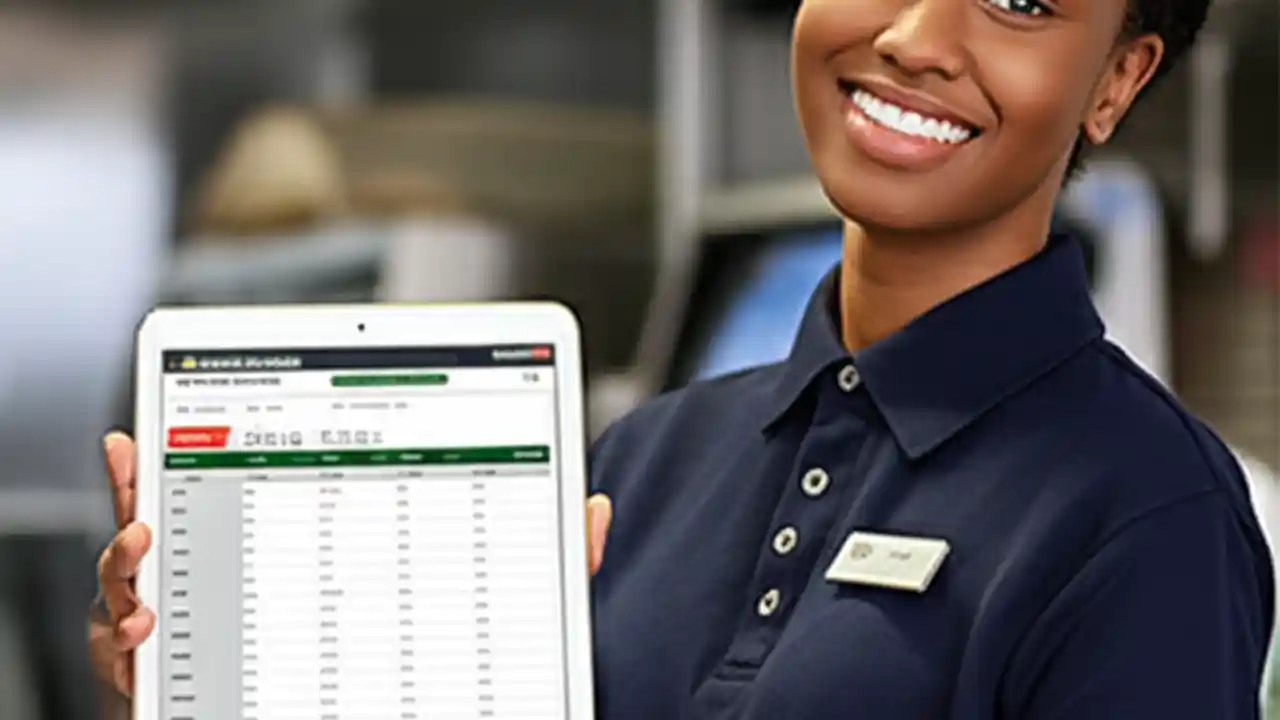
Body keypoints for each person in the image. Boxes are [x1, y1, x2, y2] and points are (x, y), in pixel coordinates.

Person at [91, 0, 1274, 716]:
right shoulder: (643, 460)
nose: (915, 37)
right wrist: (225, 688)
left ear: (1116, 78)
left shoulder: (1144, 512)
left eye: (1016, 0)